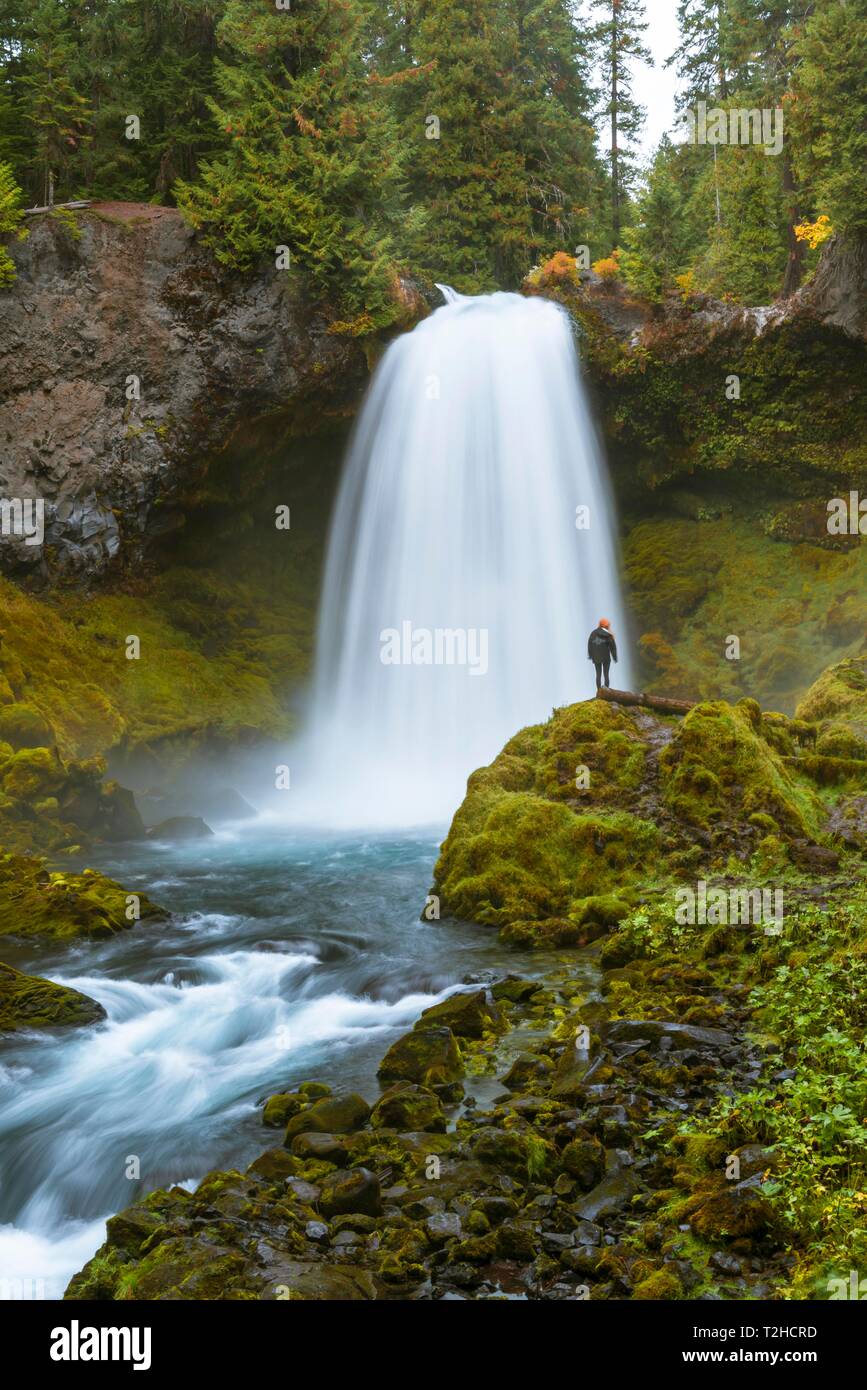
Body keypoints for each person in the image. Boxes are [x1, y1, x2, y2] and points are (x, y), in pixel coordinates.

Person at [588, 618, 617, 691]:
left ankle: (599, 691)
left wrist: (590, 655)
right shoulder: (608, 635)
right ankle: (606, 691)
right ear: (607, 626)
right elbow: (613, 647)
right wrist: (614, 657)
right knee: (606, 675)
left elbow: (589, 645)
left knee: (598, 675)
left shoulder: (593, 633)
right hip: (606, 657)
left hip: (596, 657)